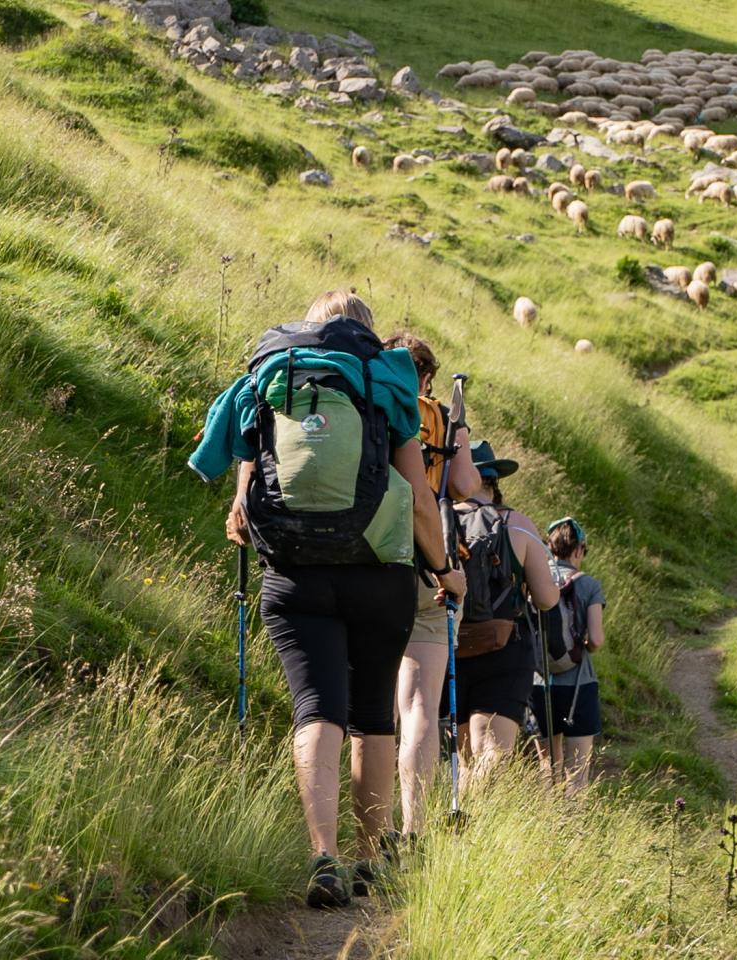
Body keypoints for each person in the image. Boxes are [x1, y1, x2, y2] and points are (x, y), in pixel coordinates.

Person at [188, 291, 465, 909]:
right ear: (367, 332)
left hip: (293, 574)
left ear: (306, 328)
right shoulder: (382, 378)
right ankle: (371, 859)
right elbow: (421, 499)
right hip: (377, 571)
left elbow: (245, 477)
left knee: (317, 708)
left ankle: (323, 856)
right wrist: (446, 571)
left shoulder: (272, 374)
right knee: (372, 711)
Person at [381, 332, 480, 841]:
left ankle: (366, 832)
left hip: (368, 561)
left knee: (371, 704)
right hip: (431, 564)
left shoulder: (368, 396)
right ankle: (413, 827)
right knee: (420, 704)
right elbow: (465, 488)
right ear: (428, 376)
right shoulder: (442, 415)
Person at [451, 439, 559, 787]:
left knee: (465, 755)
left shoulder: (439, 520)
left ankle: (461, 823)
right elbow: (545, 599)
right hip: (504, 646)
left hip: (449, 647)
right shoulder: (517, 524)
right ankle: (479, 822)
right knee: (493, 750)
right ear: (494, 482)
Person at [531, 517, 606, 796]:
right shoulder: (589, 585)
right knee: (577, 772)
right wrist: (584, 645)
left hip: (539, 684)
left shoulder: (535, 579)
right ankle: (573, 830)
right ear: (578, 550)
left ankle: (548, 827)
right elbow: (596, 639)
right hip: (579, 686)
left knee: (548, 766)